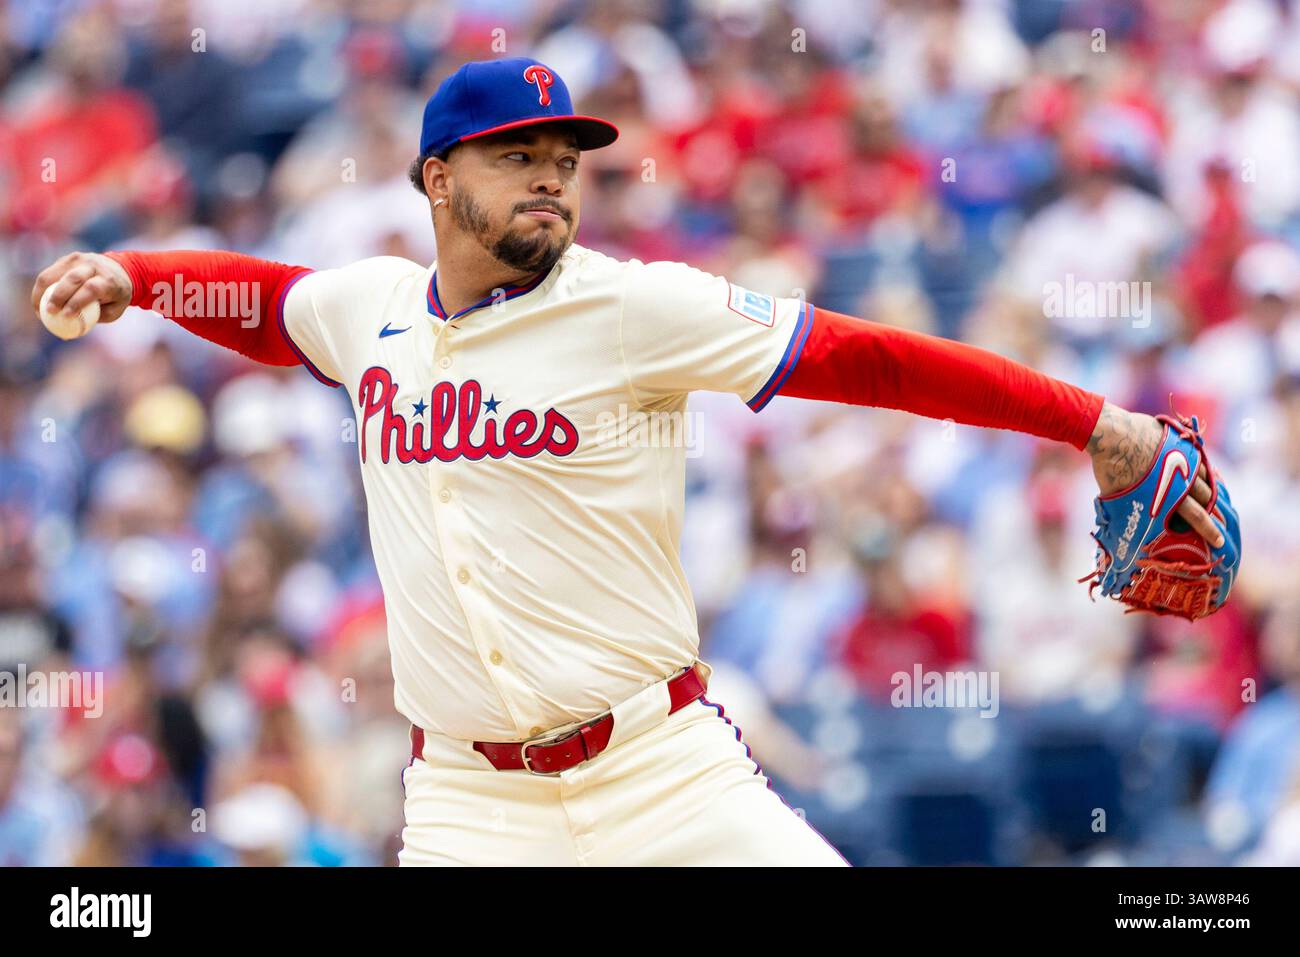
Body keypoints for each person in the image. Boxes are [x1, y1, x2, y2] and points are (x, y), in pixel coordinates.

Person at [29, 58, 1229, 867]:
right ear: (438, 179)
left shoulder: (635, 306)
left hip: (664, 775)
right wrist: (135, 277)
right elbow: (269, 301)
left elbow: (871, 361)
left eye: (565, 153)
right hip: (471, 806)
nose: (552, 172)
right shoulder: (370, 310)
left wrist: (1095, 424)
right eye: (516, 154)